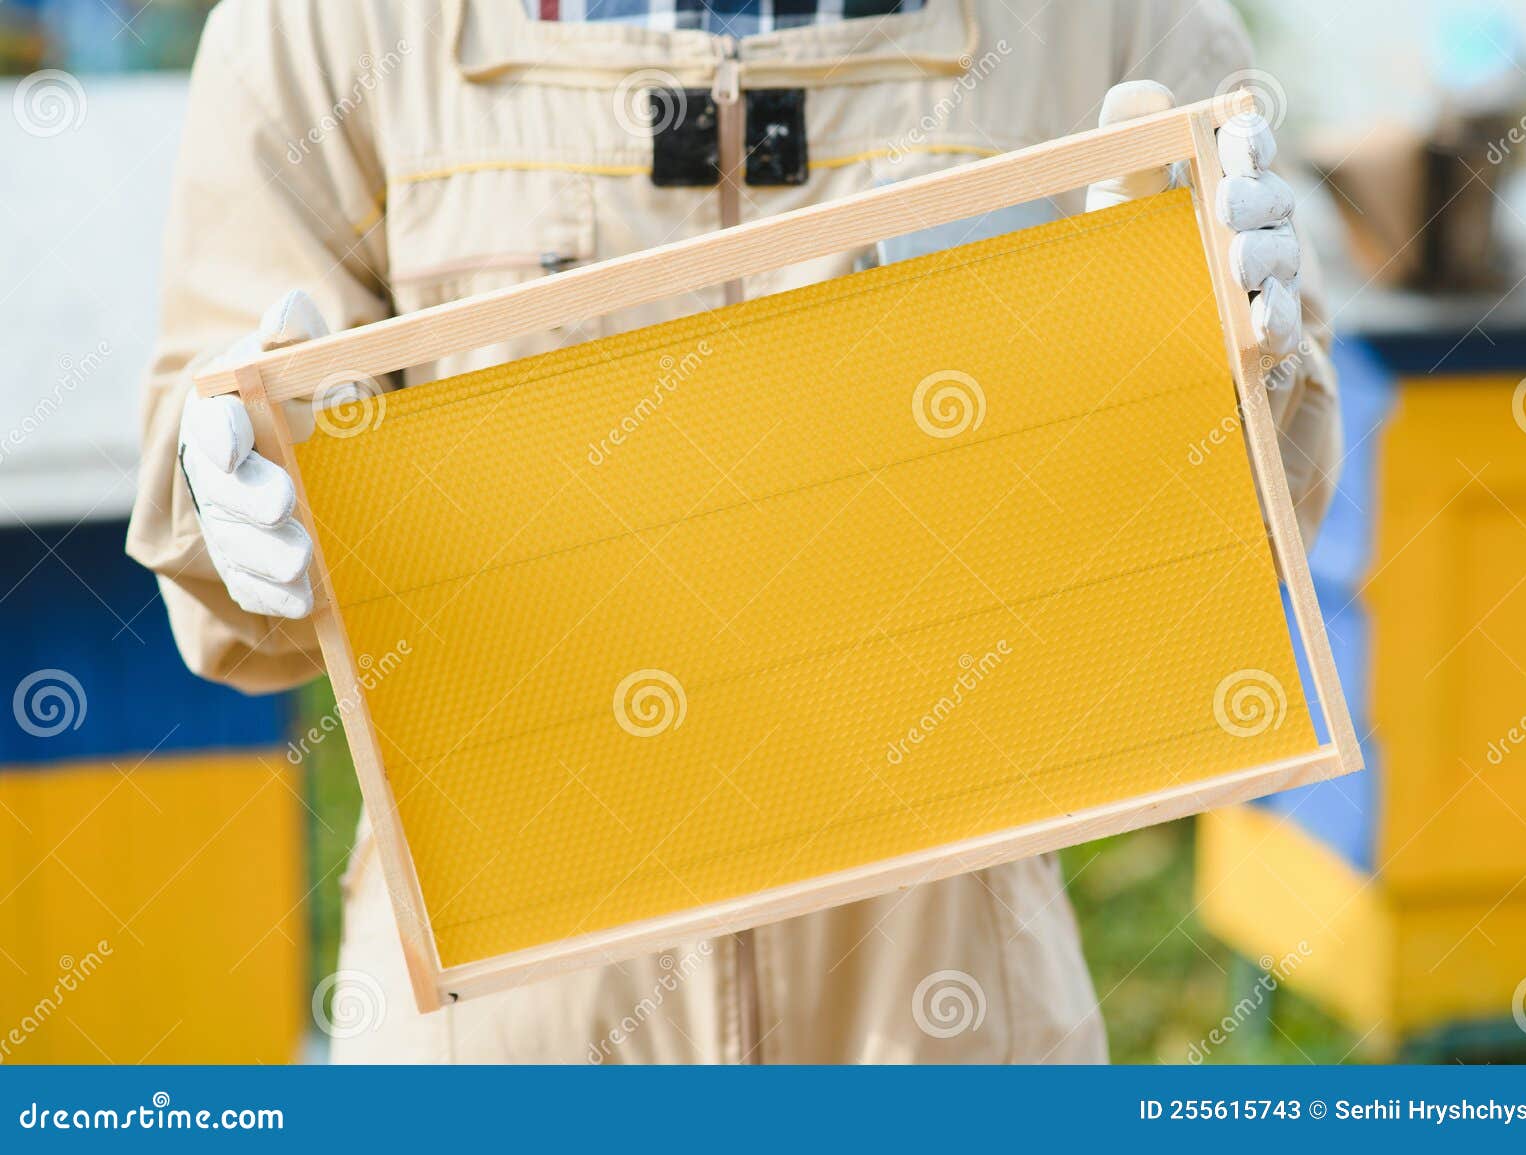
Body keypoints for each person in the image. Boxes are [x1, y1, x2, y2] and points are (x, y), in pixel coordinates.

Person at [129, 0, 1339, 1064]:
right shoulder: (316, 28)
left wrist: (1228, 366)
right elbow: (230, 560)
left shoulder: (1112, 16)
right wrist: (228, 497)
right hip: (506, 1031)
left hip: (950, 1014)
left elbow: (1264, 515)